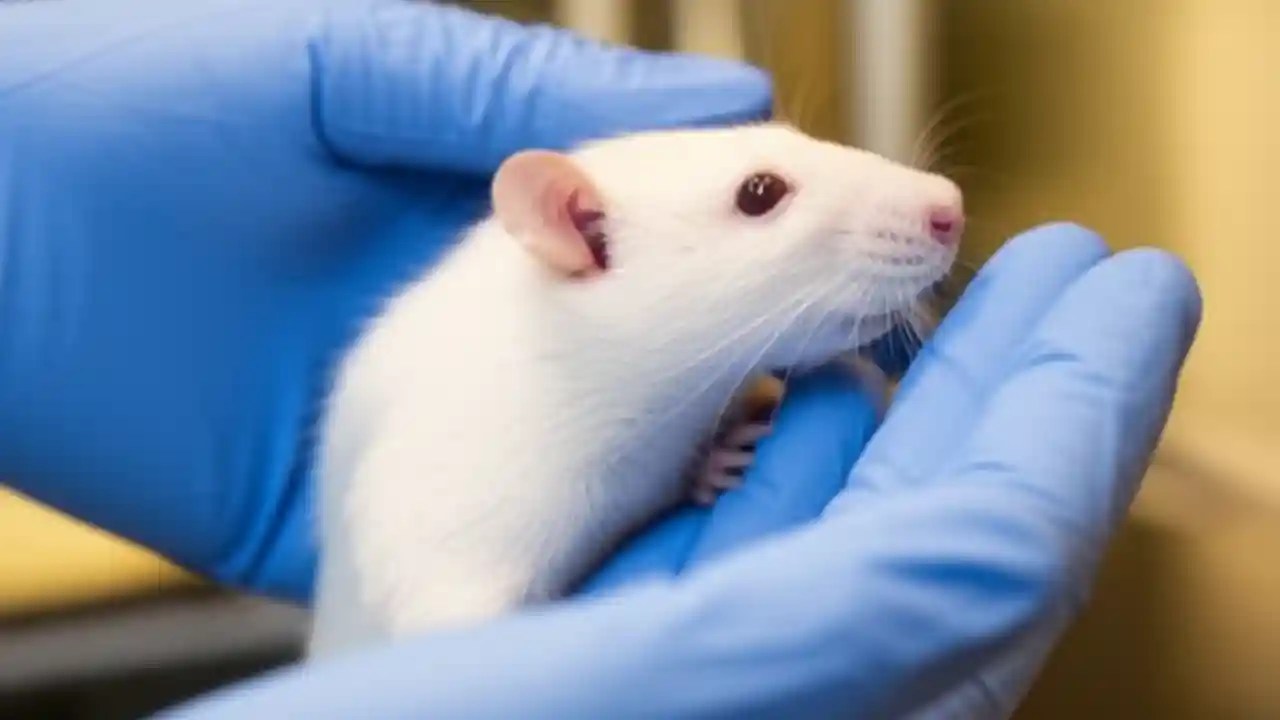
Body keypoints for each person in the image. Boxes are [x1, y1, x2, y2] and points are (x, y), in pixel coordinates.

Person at [0, 1, 1200, 717]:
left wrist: (691, 468)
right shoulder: (478, 398)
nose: (933, 203)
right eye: (765, 192)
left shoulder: (623, 374)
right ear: (579, 237)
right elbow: (446, 617)